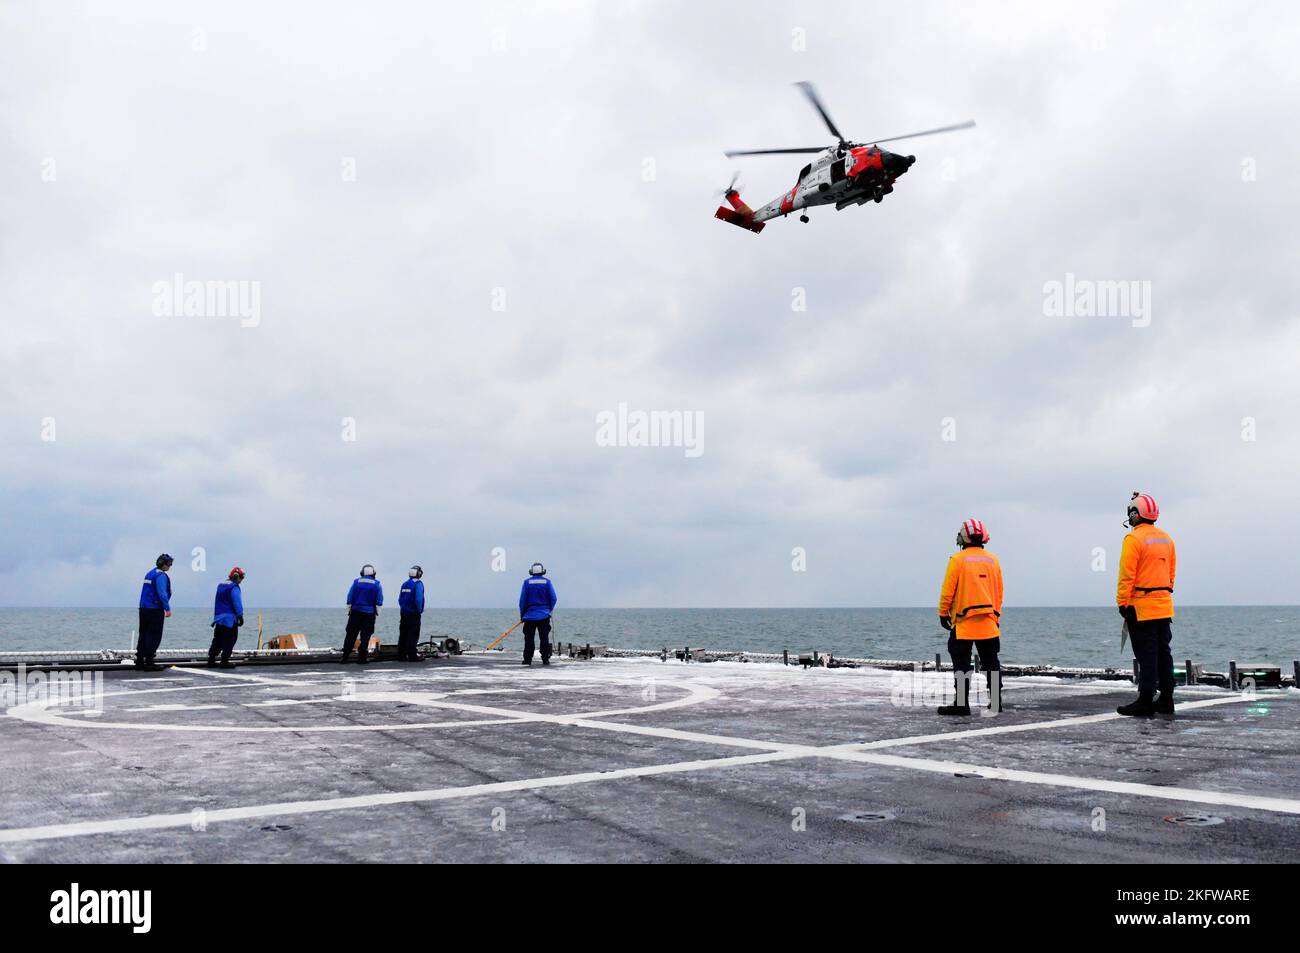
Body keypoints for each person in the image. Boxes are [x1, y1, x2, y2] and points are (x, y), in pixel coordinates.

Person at [1116, 492, 1177, 716]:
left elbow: (1127, 574)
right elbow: (1171, 573)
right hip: (1164, 605)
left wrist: (1123, 602)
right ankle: (1167, 700)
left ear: (1135, 514)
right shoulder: (1166, 538)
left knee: (1146, 655)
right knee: (1163, 654)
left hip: (1141, 607)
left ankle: (1145, 700)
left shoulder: (1134, 539)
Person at [936, 519, 1005, 715]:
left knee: (961, 664)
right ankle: (995, 702)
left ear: (964, 537)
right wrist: (996, 616)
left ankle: (961, 704)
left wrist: (943, 613)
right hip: (989, 622)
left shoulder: (958, 560)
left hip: (964, 623)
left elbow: (948, 591)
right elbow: (999, 591)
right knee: (991, 663)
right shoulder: (993, 560)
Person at [136, 554, 174, 671]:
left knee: (143, 634)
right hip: (154, 609)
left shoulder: (150, 573)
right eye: (169, 564)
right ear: (164, 564)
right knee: (154, 635)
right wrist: (167, 608)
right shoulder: (161, 576)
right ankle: (149, 662)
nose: (170, 566)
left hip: (143, 608)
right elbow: (162, 593)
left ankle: (140, 661)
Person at [342, 564, 383, 664]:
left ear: (362, 573)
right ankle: (362, 658)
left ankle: (345, 657)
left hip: (355, 612)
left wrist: (348, 609)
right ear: (373, 573)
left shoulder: (356, 582)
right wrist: (377, 612)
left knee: (351, 634)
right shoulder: (377, 584)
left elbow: (350, 596)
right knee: (365, 636)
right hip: (369, 614)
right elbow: (379, 600)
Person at [518, 562, 557, 666]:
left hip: (529, 616)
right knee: (544, 638)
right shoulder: (547, 582)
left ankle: (527, 659)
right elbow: (554, 598)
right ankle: (545, 659)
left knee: (529, 639)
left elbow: (522, 601)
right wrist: (549, 610)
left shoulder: (526, 583)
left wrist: (522, 615)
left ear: (531, 572)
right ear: (542, 571)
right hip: (544, 615)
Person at [208, 567, 245, 668]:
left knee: (217, 639)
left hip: (218, 619)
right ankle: (224, 661)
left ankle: (211, 659)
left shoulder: (221, 586)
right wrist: (240, 616)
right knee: (230, 639)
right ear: (237, 577)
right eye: (241, 578)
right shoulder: (234, 587)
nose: (241, 580)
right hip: (229, 620)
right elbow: (237, 603)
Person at [398, 565, 426, 662]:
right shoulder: (418, 584)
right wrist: (419, 610)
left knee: (403, 634)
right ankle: (412, 655)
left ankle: (401, 655)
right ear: (419, 574)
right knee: (413, 634)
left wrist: (403, 608)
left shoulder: (404, 584)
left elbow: (400, 599)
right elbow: (418, 599)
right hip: (414, 613)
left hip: (404, 613)